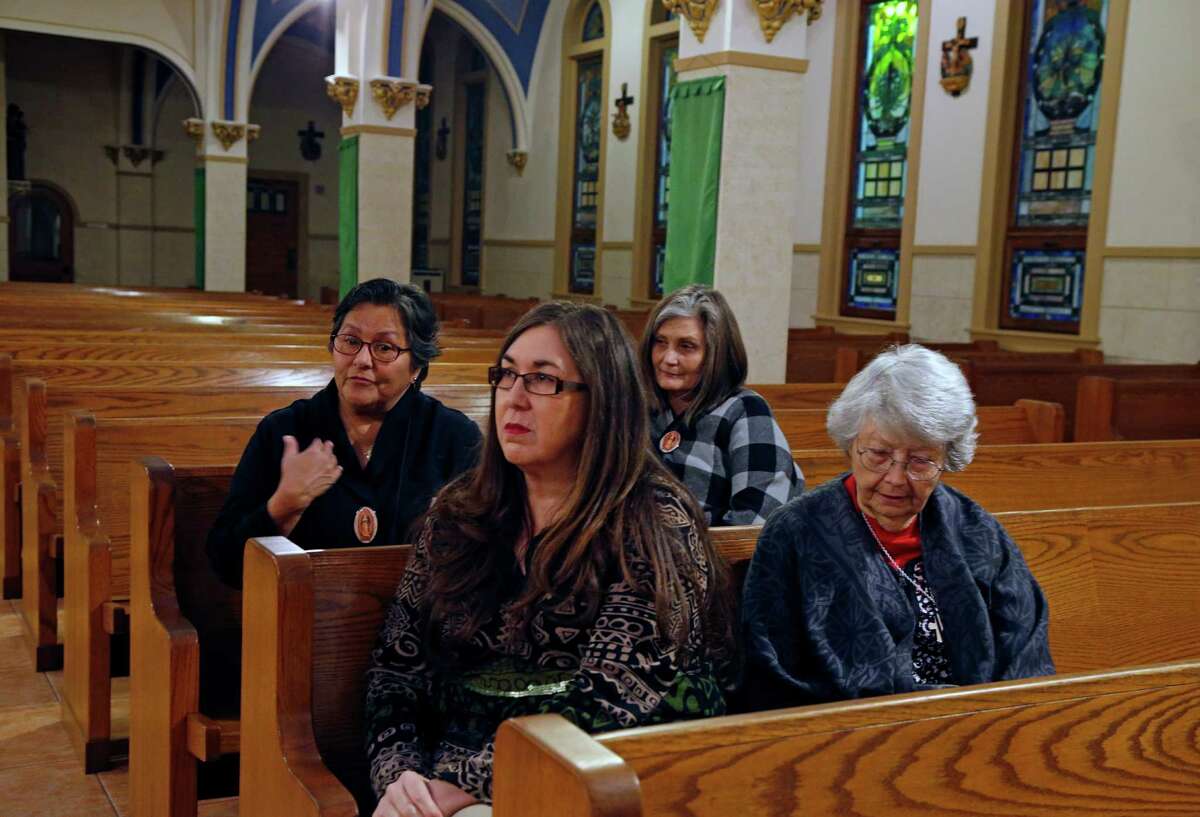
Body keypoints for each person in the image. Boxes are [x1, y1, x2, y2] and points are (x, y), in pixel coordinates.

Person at [365, 302, 734, 817]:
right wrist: (399, 777)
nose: (514, 399)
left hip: (601, 784)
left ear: (602, 401)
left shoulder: (653, 520)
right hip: (445, 783)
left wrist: (455, 790)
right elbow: (396, 670)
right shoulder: (457, 513)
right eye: (507, 375)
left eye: (543, 380)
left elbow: (612, 698)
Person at [741, 344, 1054, 708]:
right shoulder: (796, 533)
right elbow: (772, 677)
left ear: (946, 458)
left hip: (978, 725)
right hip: (847, 731)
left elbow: (1026, 660)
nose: (895, 478)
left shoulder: (977, 532)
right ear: (851, 444)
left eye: (920, 460)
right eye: (879, 454)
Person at [206, 278, 482, 588]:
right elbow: (225, 564)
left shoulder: (454, 436)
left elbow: (488, 561)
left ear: (417, 365)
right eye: (350, 341)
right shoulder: (285, 431)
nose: (361, 360)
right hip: (302, 613)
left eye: (384, 348)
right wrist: (284, 505)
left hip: (419, 615)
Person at [640, 284, 803, 526]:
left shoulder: (744, 411)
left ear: (716, 355)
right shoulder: (639, 407)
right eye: (660, 342)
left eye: (687, 346)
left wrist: (690, 545)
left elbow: (757, 521)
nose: (668, 358)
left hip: (714, 547)